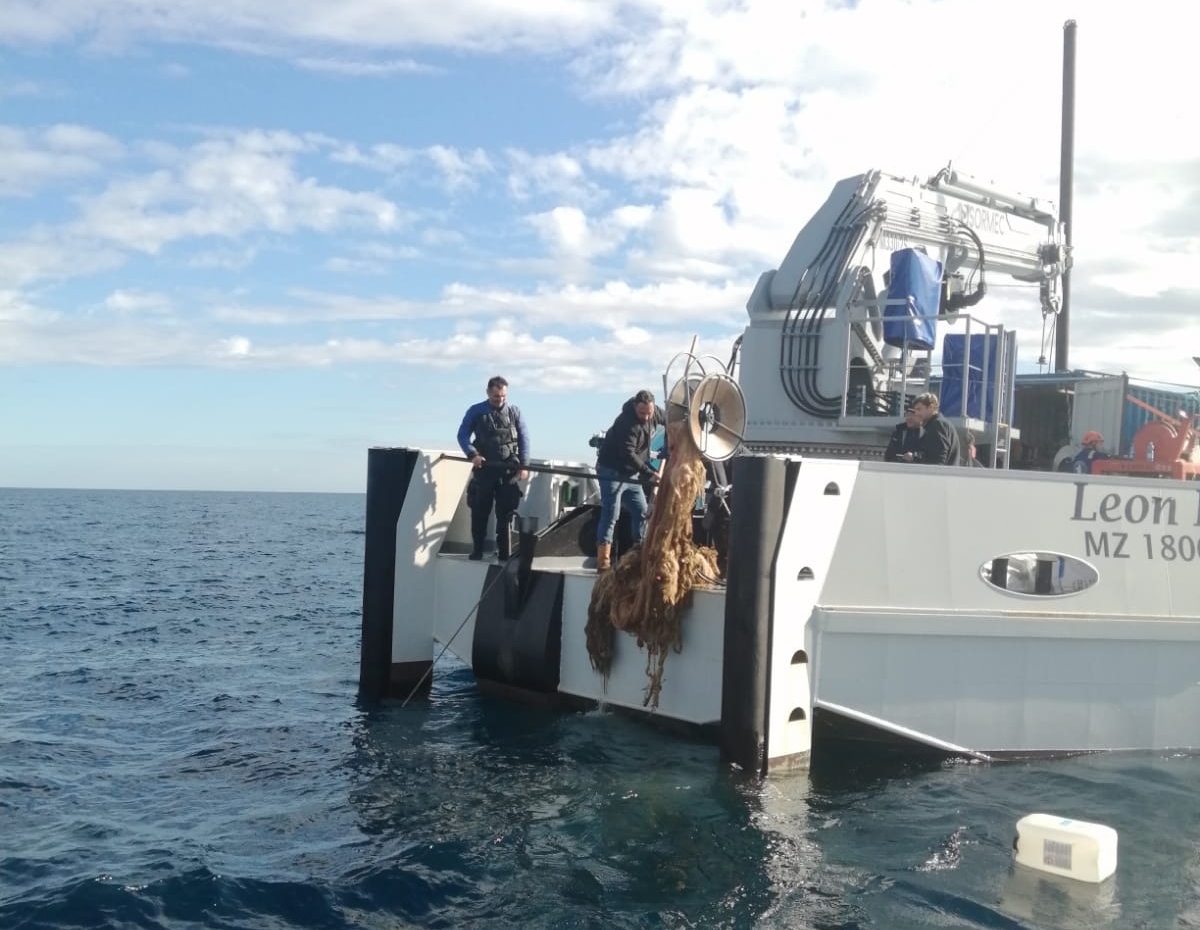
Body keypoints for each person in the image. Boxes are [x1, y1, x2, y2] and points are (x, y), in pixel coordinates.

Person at [456, 376, 529, 560]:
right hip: (485, 469)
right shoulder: (476, 411)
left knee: (505, 513)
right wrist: (473, 454)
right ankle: (478, 549)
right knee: (480, 510)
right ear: (488, 393)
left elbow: (524, 439)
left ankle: (504, 552)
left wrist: (523, 465)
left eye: (503, 396)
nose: (500, 399)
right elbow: (462, 435)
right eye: (496, 396)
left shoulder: (514, 412)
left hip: (507, 471)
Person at [594, 389, 666, 572]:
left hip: (631, 475)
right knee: (611, 515)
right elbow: (629, 454)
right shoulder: (626, 423)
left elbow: (670, 422)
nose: (647, 417)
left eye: (649, 413)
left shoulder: (655, 413)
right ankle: (603, 562)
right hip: (612, 471)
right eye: (642, 413)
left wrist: (670, 442)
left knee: (642, 512)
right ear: (635, 407)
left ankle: (639, 554)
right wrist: (649, 472)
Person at [902, 392, 962, 465]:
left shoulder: (938, 425)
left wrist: (914, 457)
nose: (916, 413)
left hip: (937, 475)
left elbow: (938, 461)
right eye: (915, 410)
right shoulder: (939, 425)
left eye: (919, 409)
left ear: (931, 407)